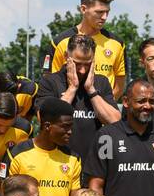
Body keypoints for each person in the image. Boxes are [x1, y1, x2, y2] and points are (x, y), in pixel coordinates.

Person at [35, 32, 120, 174]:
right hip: (57, 164)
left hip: (93, 165)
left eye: (87, 64)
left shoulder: (101, 82)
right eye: (77, 64)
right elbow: (43, 120)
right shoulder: (50, 82)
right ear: (66, 57)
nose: (82, 70)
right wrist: (72, 89)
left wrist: (91, 90)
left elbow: (115, 121)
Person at [4, 97, 82, 196]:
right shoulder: (17, 154)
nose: (70, 132)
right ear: (47, 126)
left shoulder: (73, 159)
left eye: (71, 127)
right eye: (65, 126)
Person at [45, 0, 127, 100]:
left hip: (102, 113)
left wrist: (104, 107)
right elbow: (49, 82)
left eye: (107, 12)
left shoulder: (117, 43)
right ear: (83, 9)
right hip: (70, 112)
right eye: (99, 12)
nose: (104, 17)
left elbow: (119, 84)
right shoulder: (60, 42)